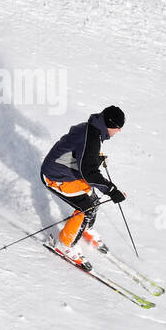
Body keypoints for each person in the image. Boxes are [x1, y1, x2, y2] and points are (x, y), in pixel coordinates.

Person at [40, 105, 126, 269]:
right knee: (86, 206)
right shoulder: (92, 137)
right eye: (118, 127)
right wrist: (111, 190)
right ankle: (64, 244)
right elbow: (89, 173)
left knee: (92, 198)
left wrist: (96, 159)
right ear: (110, 125)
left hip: (66, 171)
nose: (119, 131)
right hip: (55, 176)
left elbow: (80, 153)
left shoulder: (91, 128)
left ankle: (85, 227)